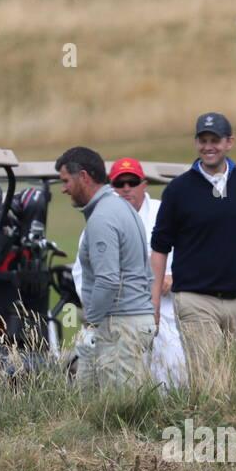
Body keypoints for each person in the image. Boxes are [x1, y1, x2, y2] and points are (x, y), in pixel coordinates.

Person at [150, 114, 236, 382]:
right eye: (203, 140)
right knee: (208, 379)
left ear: (229, 142)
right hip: (196, 299)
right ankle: (207, 424)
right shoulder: (178, 190)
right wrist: (155, 300)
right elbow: (160, 246)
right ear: (196, 143)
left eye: (215, 140)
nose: (209, 146)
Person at [73, 157, 187, 389]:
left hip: (169, 311)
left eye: (132, 182)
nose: (126, 188)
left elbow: (191, 255)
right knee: (122, 379)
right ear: (111, 187)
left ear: (144, 184)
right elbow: (82, 274)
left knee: (174, 372)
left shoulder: (164, 213)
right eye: (119, 183)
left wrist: (174, 278)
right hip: (120, 314)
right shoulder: (99, 220)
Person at [56, 146, 156, 390]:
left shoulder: (103, 217)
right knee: (88, 401)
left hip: (120, 326)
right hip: (120, 323)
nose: (63, 188)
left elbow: (108, 281)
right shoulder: (118, 207)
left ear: (84, 177)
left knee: (120, 410)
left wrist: (90, 326)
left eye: (66, 180)